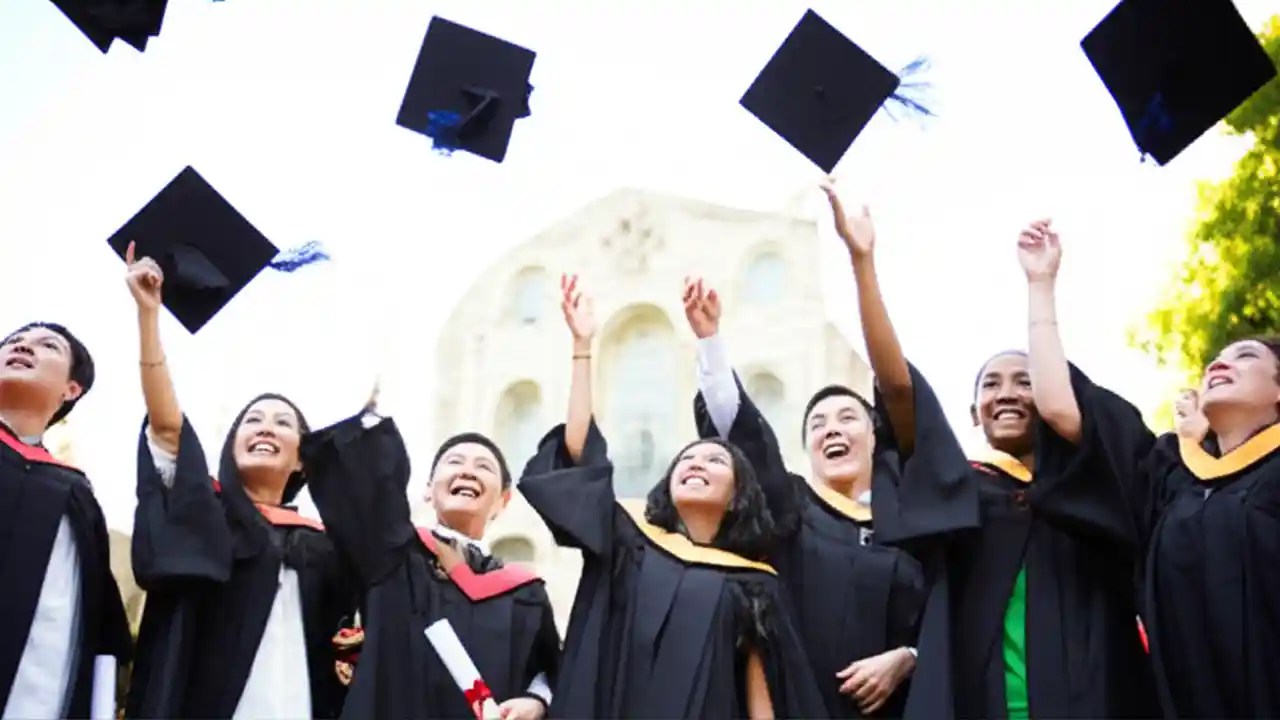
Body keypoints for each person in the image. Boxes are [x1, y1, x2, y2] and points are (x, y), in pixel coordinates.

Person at [827, 185, 1156, 720]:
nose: (1006, 392)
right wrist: (862, 261)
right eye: (991, 385)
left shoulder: (1095, 488)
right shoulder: (964, 491)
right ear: (973, 414)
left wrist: (1041, 285)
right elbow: (899, 389)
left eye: (1024, 381)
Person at [515, 273, 827, 719]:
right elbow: (579, 461)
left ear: (740, 495)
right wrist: (583, 349)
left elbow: (762, 699)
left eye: (717, 462)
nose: (697, 463)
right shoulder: (626, 544)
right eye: (688, 458)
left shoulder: (752, 584)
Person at [1015, 223, 1280, 718]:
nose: (1219, 365)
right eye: (1214, 361)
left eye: (1245, 356)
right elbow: (1059, 409)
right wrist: (1040, 287)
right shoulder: (1170, 479)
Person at [122, 242, 357, 719]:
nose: (266, 427)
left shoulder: (327, 547)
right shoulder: (204, 512)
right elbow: (168, 428)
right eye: (253, 420)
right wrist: (150, 318)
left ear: (302, 463)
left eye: (283, 423)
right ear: (230, 444)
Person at [683, 274, 925, 717]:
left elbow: (954, 619)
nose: (831, 428)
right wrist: (711, 343)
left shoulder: (919, 520)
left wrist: (909, 657)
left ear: (875, 436)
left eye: (847, 418)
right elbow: (748, 444)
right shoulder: (791, 512)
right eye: (817, 424)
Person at [300, 388, 560, 720]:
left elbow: (552, 671)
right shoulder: (392, 557)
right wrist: (364, 416)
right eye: (454, 462)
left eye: (484, 467)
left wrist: (537, 701)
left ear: (503, 501)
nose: (467, 471)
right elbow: (364, 491)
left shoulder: (524, 593)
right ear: (427, 489)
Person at [0, 321, 132, 718]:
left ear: (71, 390)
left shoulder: (74, 497)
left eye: (47, 346)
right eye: (14, 342)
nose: (23, 346)